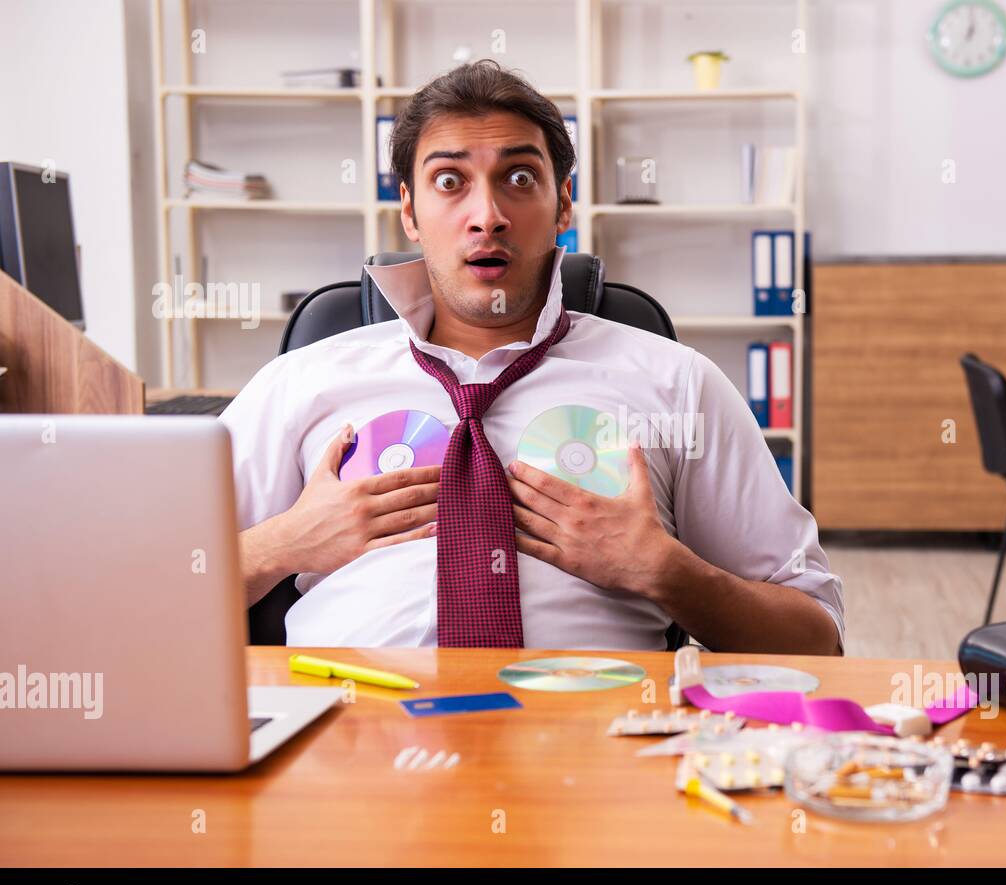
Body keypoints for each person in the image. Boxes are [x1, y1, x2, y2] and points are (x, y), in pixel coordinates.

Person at [222, 60, 843, 653]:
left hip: (596, 738)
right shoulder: (300, 383)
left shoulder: (678, 385)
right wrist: (284, 544)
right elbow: (143, 592)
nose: (487, 216)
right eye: (449, 181)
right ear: (410, 210)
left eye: (519, 179)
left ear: (563, 205)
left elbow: (815, 639)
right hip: (351, 735)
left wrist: (665, 571)